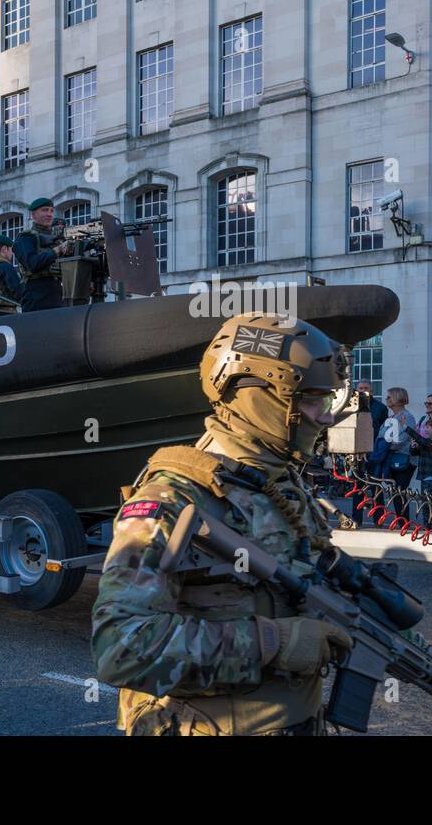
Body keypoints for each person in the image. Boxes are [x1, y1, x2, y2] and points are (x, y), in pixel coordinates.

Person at [91, 312, 354, 736]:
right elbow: (121, 648)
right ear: (260, 396)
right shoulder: (172, 499)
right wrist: (274, 644)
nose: (325, 418)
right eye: (312, 400)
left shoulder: (282, 485)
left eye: (328, 402)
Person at [12, 197, 74, 312]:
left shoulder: (58, 239)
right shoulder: (26, 237)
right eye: (45, 210)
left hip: (60, 297)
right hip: (37, 297)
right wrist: (57, 250)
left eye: (51, 211)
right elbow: (32, 264)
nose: (49, 214)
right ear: (33, 215)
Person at [381, 387, 417, 493]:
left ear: (398, 398)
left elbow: (401, 440)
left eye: (389, 397)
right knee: (394, 493)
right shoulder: (390, 418)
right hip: (390, 458)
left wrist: (383, 446)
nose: (386, 399)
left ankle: (402, 511)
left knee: (399, 493)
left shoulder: (407, 417)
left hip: (403, 459)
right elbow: (380, 437)